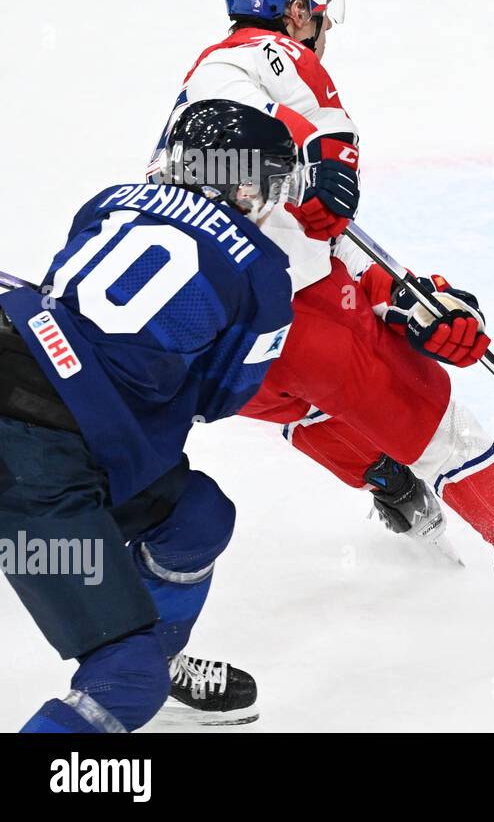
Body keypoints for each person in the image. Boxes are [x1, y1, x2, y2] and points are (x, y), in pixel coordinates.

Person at [153, 0, 494, 722]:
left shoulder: (198, 77)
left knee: (298, 408)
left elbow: (279, 214)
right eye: (319, 6)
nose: (324, 22)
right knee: (442, 427)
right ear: (294, 7)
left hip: (202, 331)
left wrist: (385, 289)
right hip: (295, 319)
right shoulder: (294, 64)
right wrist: (398, 300)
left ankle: (388, 484)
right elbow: (331, 202)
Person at [0, 100, 296, 731]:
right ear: (246, 183)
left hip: (27, 368)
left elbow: (66, 305)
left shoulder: (113, 199)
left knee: (195, 517)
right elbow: (220, 400)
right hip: (40, 460)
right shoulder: (265, 274)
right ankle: (139, 667)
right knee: (123, 681)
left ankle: (155, 658)